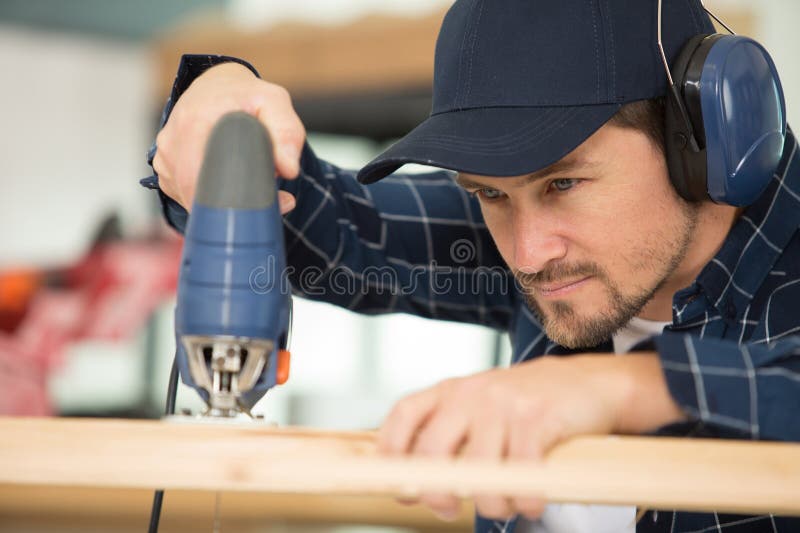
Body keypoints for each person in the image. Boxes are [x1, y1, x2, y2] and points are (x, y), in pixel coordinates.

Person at [142, 1, 800, 531]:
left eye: (563, 184)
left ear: (703, 136)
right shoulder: (532, 242)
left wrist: (622, 387)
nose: (526, 254)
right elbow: (324, 227)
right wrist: (221, 105)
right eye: (490, 194)